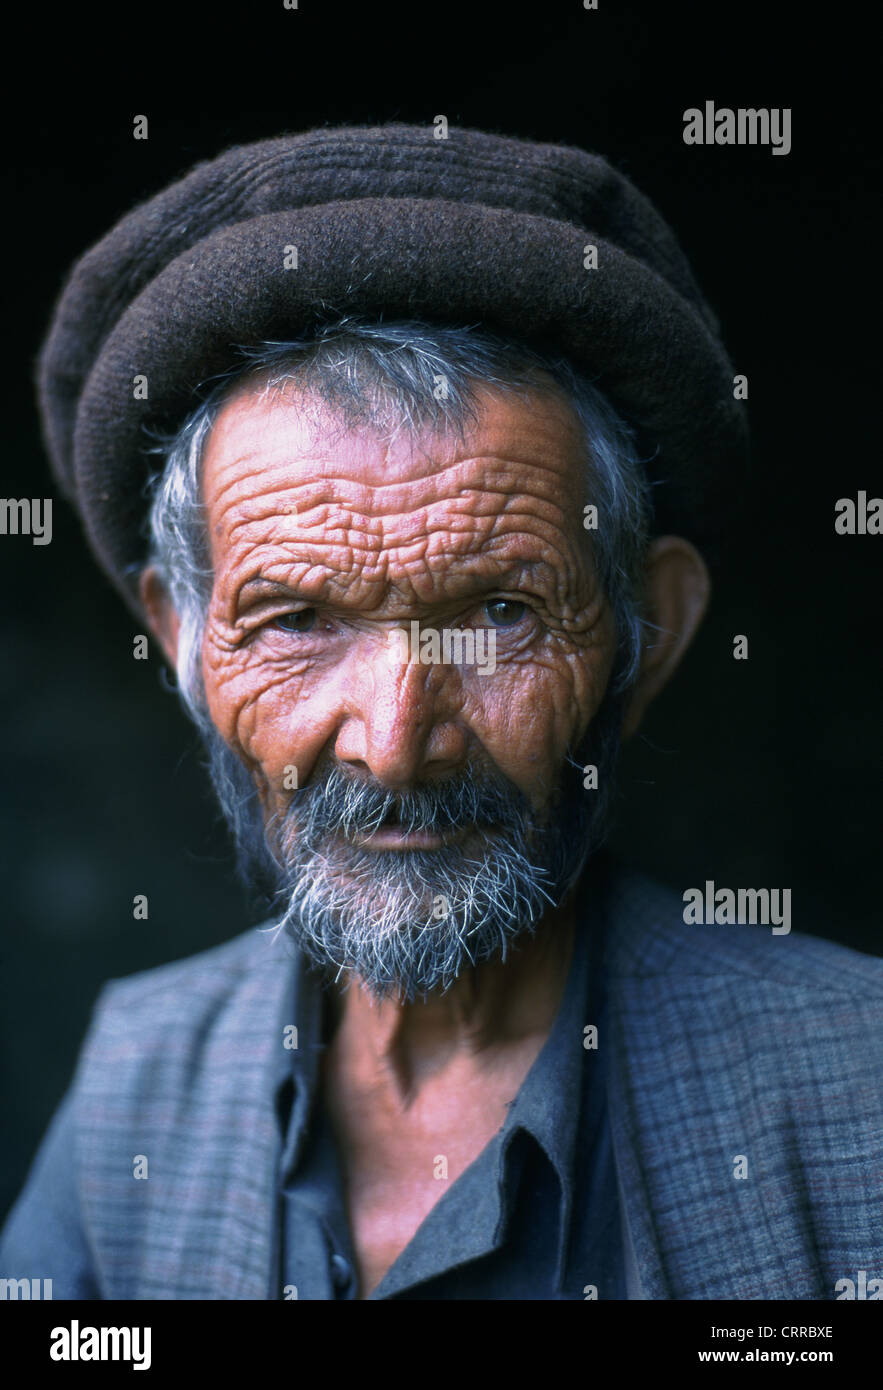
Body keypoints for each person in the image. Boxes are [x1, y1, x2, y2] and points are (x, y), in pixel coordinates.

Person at [2, 125, 880, 1301]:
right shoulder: (137, 1077)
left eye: (502, 612)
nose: (395, 738)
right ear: (183, 642)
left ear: (647, 631)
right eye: (298, 619)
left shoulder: (856, 1089)